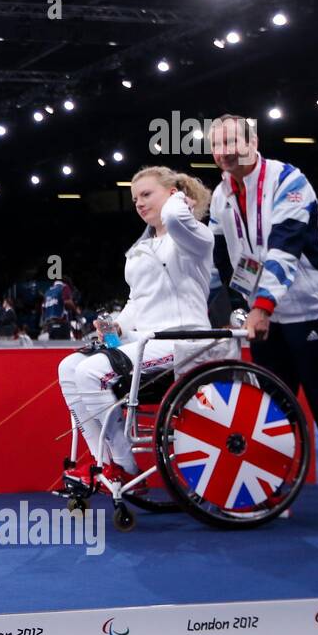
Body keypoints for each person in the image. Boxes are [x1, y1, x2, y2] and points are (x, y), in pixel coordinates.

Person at [208, 115, 318, 521]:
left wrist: (262, 306)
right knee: (268, 409)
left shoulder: (290, 181)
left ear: (254, 141)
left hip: (311, 310)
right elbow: (219, 261)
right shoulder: (221, 195)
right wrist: (219, 306)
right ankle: (273, 488)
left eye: (233, 141)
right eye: (217, 144)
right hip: (261, 316)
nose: (225, 151)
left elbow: (286, 249)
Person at [57, 166, 214, 487]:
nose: (139, 203)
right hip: (144, 342)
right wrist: (117, 324)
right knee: (69, 367)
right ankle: (103, 462)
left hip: (184, 341)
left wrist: (179, 197)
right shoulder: (139, 250)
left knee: (91, 372)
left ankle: (125, 465)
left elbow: (175, 219)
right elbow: (137, 302)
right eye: (135, 198)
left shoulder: (194, 235)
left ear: (172, 195)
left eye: (146, 195)